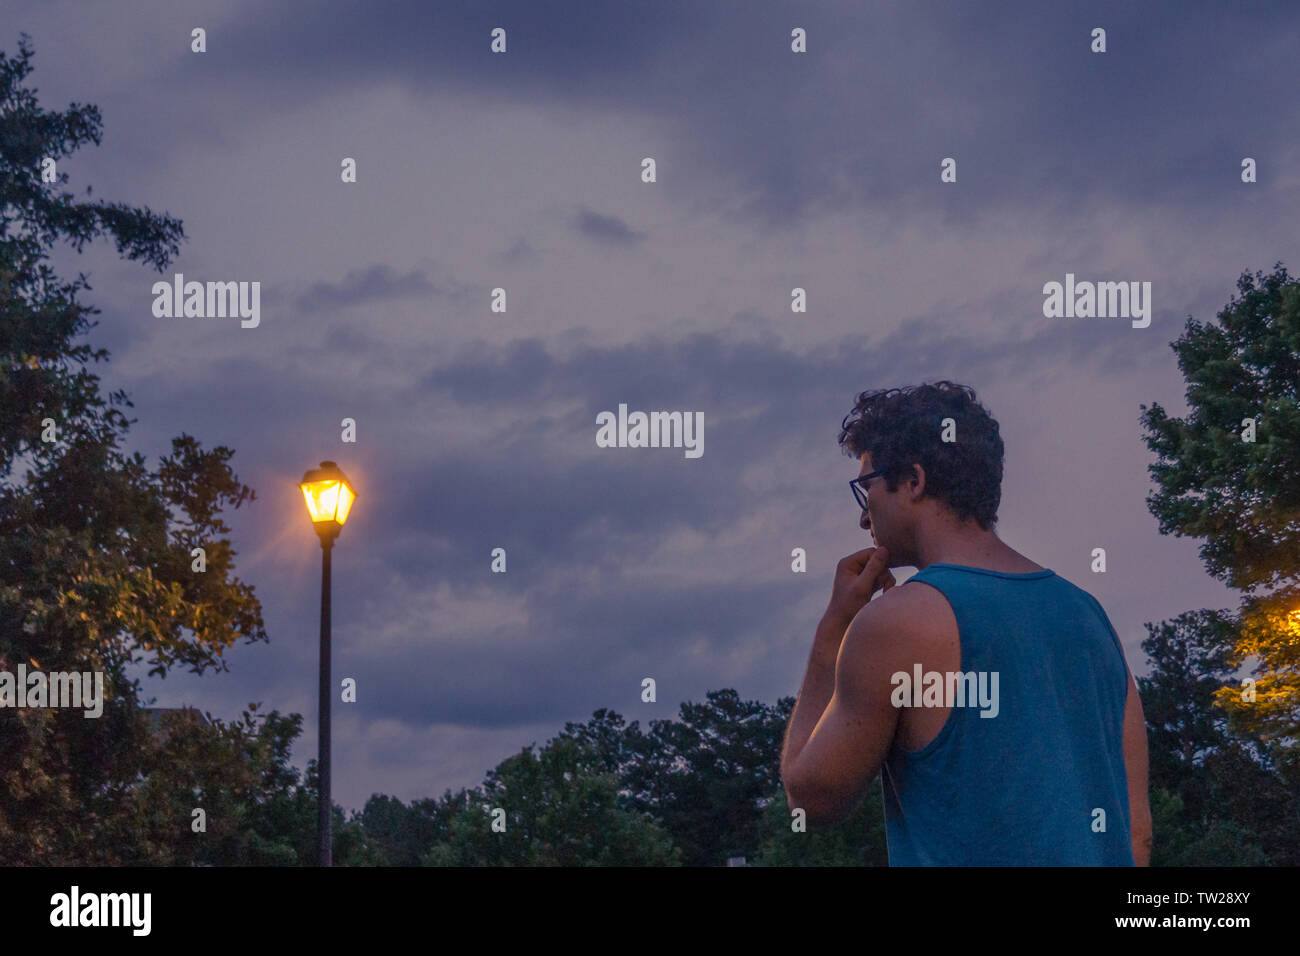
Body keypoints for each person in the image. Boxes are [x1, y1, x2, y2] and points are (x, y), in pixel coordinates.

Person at [780, 382, 1152, 865]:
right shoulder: (1089, 616)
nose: (862, 518)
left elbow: (810, 802)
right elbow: (1136, 833)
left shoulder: (895, 625)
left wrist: (833, 631)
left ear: (913, 480)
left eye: (865, 489)